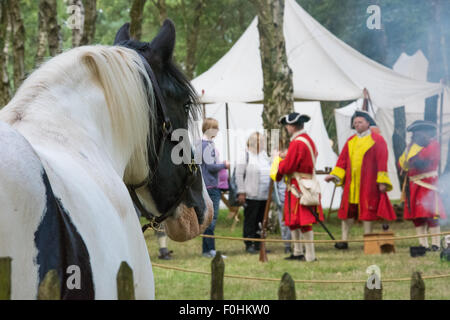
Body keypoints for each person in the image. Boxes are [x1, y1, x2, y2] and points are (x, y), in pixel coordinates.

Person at [325, 110, 396, 250]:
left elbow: (382, 161)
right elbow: (342, 161)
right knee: (347, 212)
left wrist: (382, 181)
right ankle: (344, 240)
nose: (357, 124)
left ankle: (368, 241)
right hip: (352, 184)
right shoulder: (351, 141)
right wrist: (335, 175)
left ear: (368, 123)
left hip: (369, 183)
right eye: (355, 122)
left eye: (360, 122)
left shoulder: (377, 140)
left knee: (367, 212)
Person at [272, 113, 324, 262]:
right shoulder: (307, 140)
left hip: (299, 185)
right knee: (294, 220)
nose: (287, 129)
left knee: (304, 221)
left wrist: (278, 161)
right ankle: (297, 252)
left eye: (287, 126)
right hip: (302, 183)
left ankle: (309, 255)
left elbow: (289, 166)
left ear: (293, 126)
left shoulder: (297, 143)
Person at [398, 120, 447, 251]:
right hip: (414, 184)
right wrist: (407, 161)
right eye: (414, 133)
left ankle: (436, 244)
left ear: (425, 133)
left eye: (417, 132)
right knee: (417, 217)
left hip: (427, 183)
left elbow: (424, 161)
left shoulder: (433, 145)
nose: (415, 135)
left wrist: (412, 159)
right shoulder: (410, 147)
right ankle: (423, 245)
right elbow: (401, 163)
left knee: (431, 214)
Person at [236, 132, 272, 254]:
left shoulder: (264, 156)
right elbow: (239, 175)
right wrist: (241, 192)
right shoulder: (245, 155)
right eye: (260, 142)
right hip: (251, 194)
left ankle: (259, 244)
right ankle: (249, 243)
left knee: (261, 221)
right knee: (250, 220)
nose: (262, 144)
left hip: (264, 195)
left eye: (263, 142)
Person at [200, 118, 230, 258]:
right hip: (211, 186)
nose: (217, 131)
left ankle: (207, 249)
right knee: (212, 218)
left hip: (207, 185)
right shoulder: (207, 146)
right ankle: (209, 249)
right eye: (216, 128)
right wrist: (224, 165)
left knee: (208, 218)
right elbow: (211, 166)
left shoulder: (202, 144)